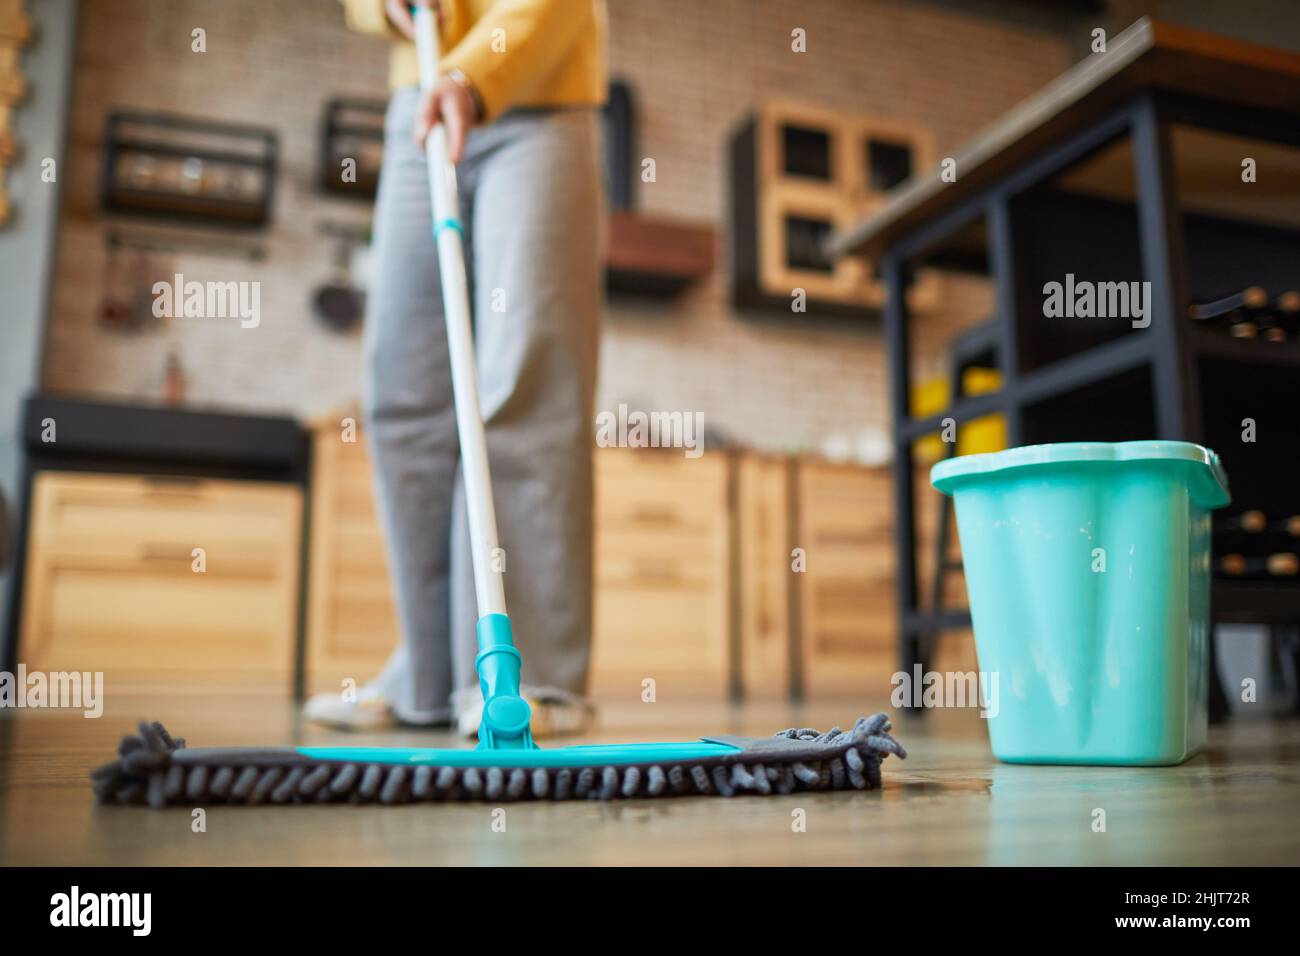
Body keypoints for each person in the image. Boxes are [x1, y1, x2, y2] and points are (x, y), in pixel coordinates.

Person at [306, 0, 606, 735]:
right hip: (420, 97)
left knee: (521, 384)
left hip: (542, 94)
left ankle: (531, 676)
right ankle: (430, 676)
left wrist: (478, 73)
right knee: (403, 392)